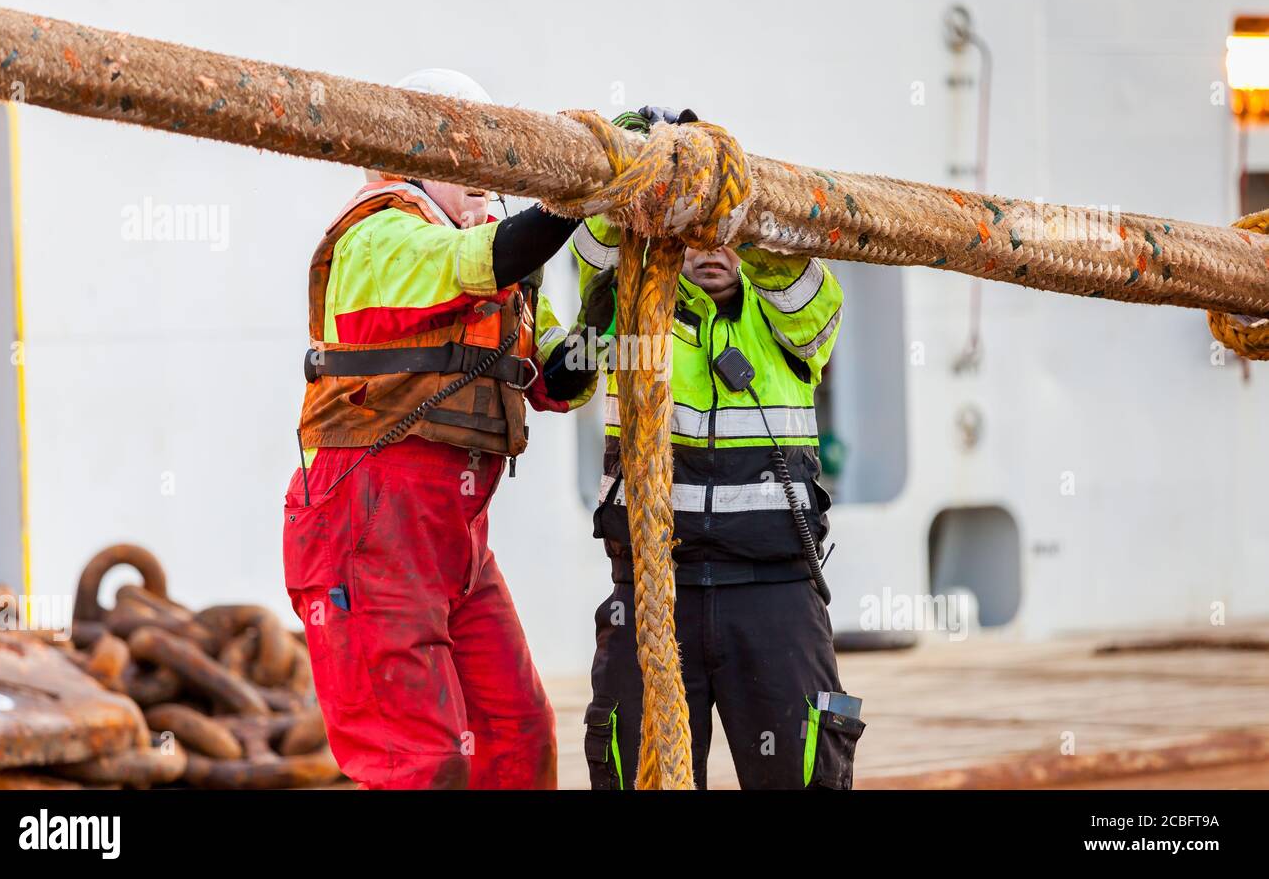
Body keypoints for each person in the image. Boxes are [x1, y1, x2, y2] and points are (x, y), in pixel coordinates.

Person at [283, 69, 593, 789]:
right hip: (366, 529)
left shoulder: (486, 251)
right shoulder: (380, 236)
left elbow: (553, 378)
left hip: (452, 539)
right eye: (469, 151)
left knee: (516, 734)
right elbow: (477, 264)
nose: (487, 170)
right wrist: (581, 197)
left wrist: (602, 325)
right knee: (417, 763)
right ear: (416, 157)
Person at [571, 107, 864, 789]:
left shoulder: (793, 312)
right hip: (648, 595)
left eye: (721, 234)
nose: (707, 249)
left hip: (773, 597)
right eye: (692, 233)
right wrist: (625, 157)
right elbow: (586, 246)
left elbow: (799, 284)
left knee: (805, 777)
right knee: (630, 772)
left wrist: (727, 206)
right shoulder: (628, 303)